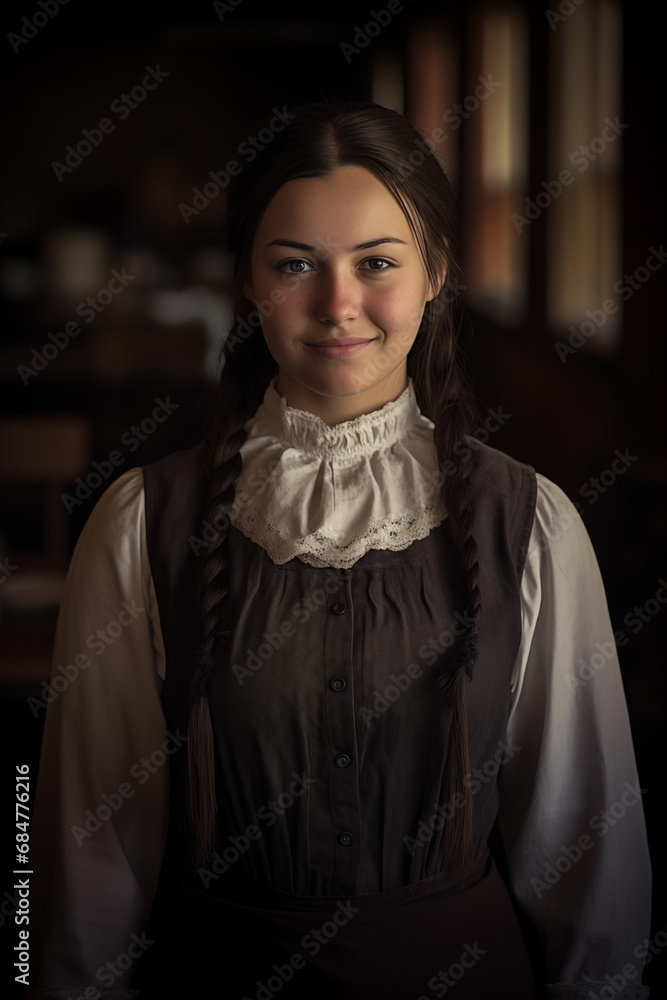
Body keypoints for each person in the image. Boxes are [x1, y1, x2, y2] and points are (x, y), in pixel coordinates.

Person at [27, 100, 651, 1000]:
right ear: (248, 280)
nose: (337, 305)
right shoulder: (138, 524)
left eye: (377, 263)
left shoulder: (534, 525)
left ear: (436, 269)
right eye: (294, 265)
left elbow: (589, 853)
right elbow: (85, 858)